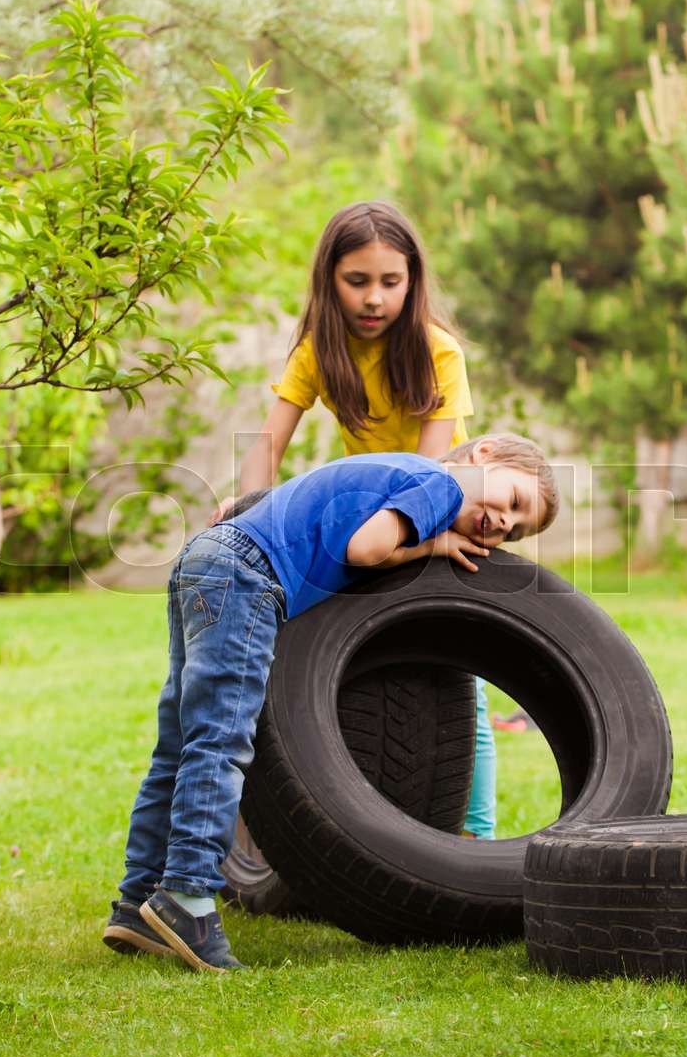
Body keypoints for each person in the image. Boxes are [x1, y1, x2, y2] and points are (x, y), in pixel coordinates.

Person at [105, 435, 558, 972]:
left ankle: (137, 901)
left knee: (182, 744)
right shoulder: (441, 486)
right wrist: (431, 547)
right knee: (221, 739)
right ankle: (186, 895)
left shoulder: (396, 467)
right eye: (512, 501)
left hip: (211, 559)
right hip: (250, 577)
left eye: (518, 528)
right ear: (483, 457)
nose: (505, 524)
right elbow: (365, 549)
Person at [211, 200, 501, 840]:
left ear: (413, 280)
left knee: (461, 681)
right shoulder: (320, 350)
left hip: (434, 513)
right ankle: (265, 834)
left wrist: (417, 537)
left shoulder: (437, 351)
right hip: (361, 520)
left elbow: (433, 469)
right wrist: (249, 515)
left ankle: (474, 836)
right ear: (329, 281)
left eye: (390, 283)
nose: (375, 298)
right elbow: (267, 446)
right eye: (357, 281)